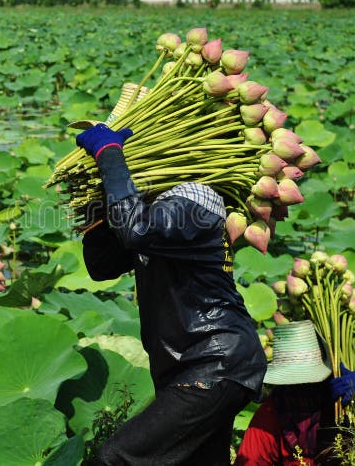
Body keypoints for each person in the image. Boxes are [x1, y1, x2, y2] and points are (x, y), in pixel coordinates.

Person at [76, 123, 267, 465]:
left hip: (215, 362)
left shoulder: (195, 199)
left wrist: (109, 155)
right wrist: (100, 195)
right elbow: (101, 266)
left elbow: (136, 231)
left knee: (114, 458)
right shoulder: (154, 208)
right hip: (192, 367)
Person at [234, 320, 355, 465]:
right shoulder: (272, 414)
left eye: (308, 380)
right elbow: (249, 461)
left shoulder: (354, 397)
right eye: (294, 382)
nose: (302, 388)